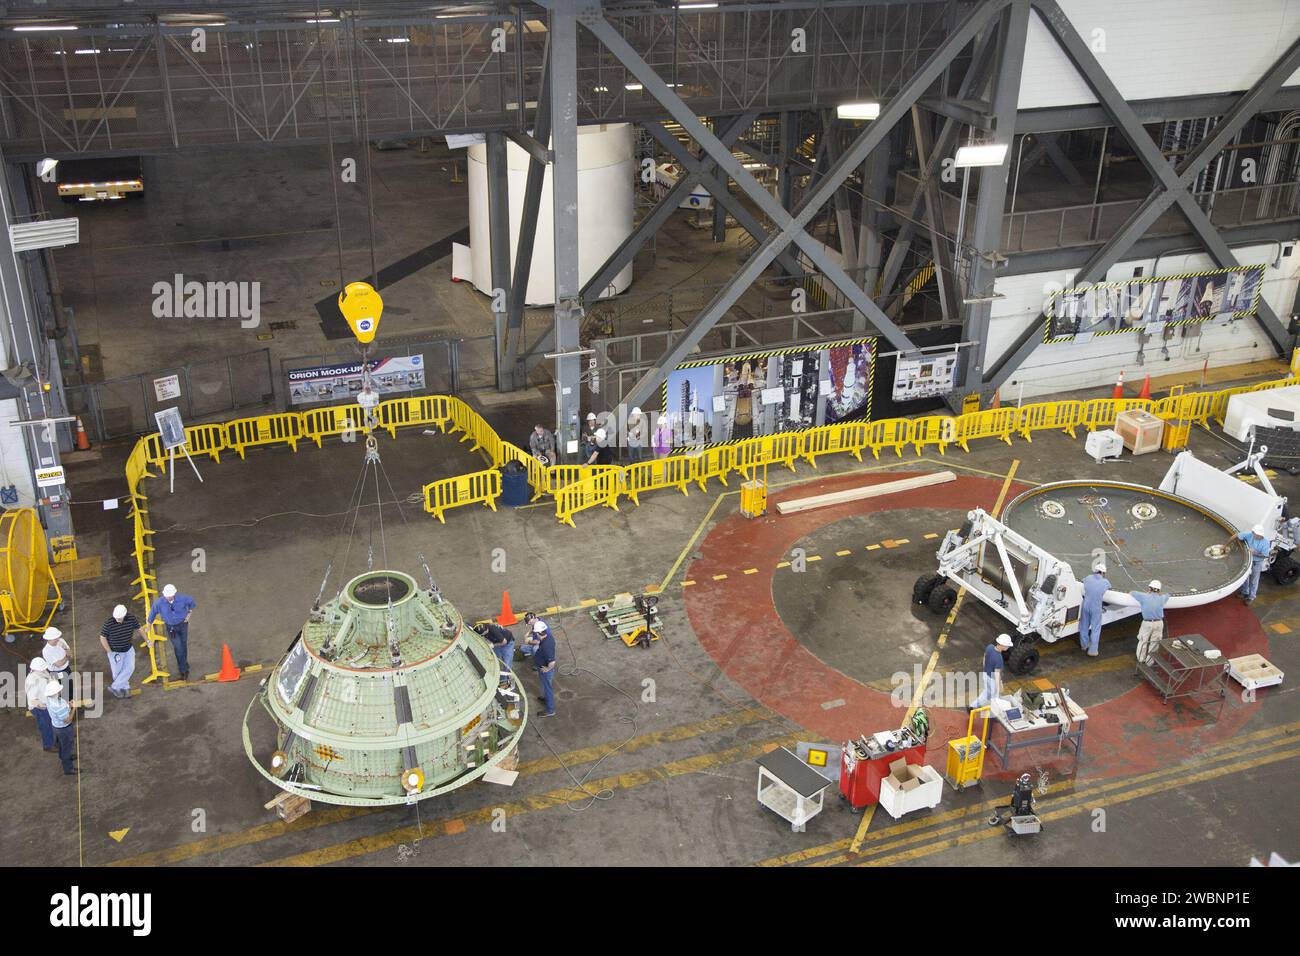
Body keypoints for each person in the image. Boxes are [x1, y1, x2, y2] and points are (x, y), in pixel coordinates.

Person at [148, 583, 196, 681]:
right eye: (167, 596)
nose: (169, 597)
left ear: (174, 593)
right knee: (178, 647)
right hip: (171, 628)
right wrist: (148, 626)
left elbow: (191, 602)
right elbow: (152, 613)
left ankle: (184, 663)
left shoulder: (183, 599)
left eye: (170, 595)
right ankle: (183, 669)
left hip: (183, 625)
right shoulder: (159, 603)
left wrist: (189, 615)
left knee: (183, 645)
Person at [100, 604, 143, 699]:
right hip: (115, 652)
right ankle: (125, 689)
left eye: (119, 618)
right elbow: (102, 638)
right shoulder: (109, 623)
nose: (117, 620)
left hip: (128, 649)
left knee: (130, 668)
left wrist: (148, 640)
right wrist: (110, 652)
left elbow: (140, 629)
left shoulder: (131, 619)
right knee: (117, 673)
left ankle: (115, 687)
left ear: (125, 615)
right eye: (116, 618)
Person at [1130, 580, 1170, 665]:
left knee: (1143, 641)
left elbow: (1132, 592)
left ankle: (1141, 660)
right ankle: (1149, 662)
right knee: (1155, 643)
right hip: (1159, 623)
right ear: (1159, 590)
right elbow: (1168, 595)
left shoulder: (1143, 597)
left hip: (1147, 623)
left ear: (1149, 588)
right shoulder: (1162, 598)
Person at [971, 634, 1012, 709]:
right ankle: (973, 706)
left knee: (989, 693)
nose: (1008, 647)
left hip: (985, 674)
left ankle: (977, 705)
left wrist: (986, 668)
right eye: (1007, 645)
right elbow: (997, 674)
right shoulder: (999, 658)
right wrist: (998, 686)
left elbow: (984, 657)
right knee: (991, 695)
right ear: (1003, 645)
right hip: (992, 680)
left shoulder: (990, 647)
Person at [46, 682, 78, 776]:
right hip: (64, 729)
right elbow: (67, 720)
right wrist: (74, 708)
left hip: (56, 726)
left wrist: (68, 705)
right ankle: (68, 769)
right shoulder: (59, 706)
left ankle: (63, 757)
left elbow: (61, 709)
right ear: (56, 692)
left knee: (61, 745)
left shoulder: (49, 699)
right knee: (67, 747)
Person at [1079, 562, 1111, 657]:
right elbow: (1109, 587)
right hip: (1096, 607)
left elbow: (1083, 581)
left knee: (1084, 626)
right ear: (1103, 573)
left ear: (1095, 571)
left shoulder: (1088, 578)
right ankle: (1092, 651)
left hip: (1086, 605)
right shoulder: (1105, 582)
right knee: (1095, 629)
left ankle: (1084, 645)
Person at [474, 621, 516, 692]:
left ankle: (504, 683)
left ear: (486, 630)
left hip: (507, 643)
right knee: (496, 660)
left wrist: (493, 645)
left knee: (506, 664)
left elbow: (504, 642)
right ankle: (498, 677)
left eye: (483, 634)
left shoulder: (494, 631)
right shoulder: (481, 626)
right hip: (496, 641)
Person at [25, 658, 55, 752]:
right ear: (36, 669)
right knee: (45, 725)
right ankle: (48, 745)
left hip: (47, 702)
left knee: (50, 722)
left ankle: (54, 739)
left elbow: (48, 678)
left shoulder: (41, 672)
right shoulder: (33, 681)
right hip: (40, 707)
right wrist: (44, 707)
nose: (44, 669)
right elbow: (33, 700)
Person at [1237, 524, 1272, 603]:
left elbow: (1265, 555)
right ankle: (1245, 592)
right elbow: (1238, 536)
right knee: (1245, 577)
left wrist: (1255, 553)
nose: (1257, 536)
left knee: (1254, 580)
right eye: (1256, 534)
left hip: (1257, 562)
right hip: (1248, 559)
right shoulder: (1249, 535)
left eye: (1259, 535)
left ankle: (1251, 597)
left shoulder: (1266, 542)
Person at [533, 620, 557, 718]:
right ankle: (546, 699)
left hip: (546, 670)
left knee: (548, 688)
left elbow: (552, 662)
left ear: (539, 633)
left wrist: (547, 668)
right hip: (541, 667)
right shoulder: (548, 637)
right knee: (545, 685)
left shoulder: (546, 645)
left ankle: (550, 710)